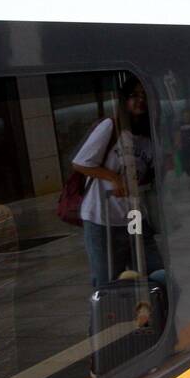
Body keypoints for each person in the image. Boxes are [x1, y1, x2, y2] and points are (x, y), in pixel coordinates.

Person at [72, 76, 163, 289]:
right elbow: (80, 162)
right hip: (102, 219)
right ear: (124, 100)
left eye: (144, 96)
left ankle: (155, 317)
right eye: (134, 96)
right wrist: (114, 178)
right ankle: (105, 321)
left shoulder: (149, 136)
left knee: (158, 274)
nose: (139, 101)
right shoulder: (110, 127)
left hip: (134, 217)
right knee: (107, 283)